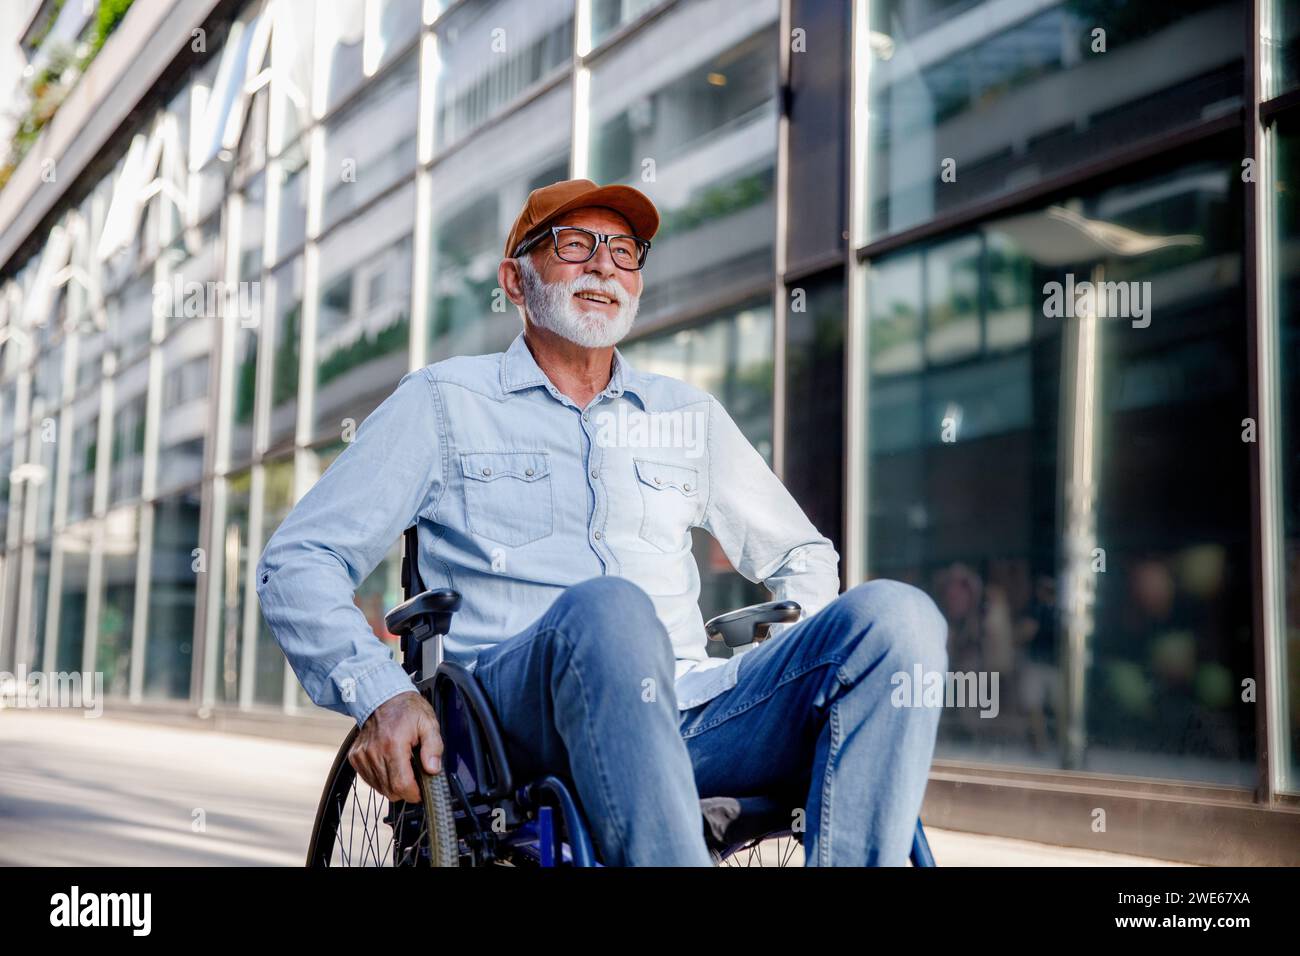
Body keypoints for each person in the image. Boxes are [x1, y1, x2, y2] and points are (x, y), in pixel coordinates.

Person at [256, 178, 947, 865]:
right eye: (575, 244)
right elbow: (298, 562)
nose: (603, 266)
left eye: (623, 251)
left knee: (897, 620)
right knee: (611, 610)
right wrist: (382, 696)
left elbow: (802, 553)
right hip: (513, 727)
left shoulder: (686, 418)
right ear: (516, 282)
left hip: (689, 713)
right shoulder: (444, 404)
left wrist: (780, 647)